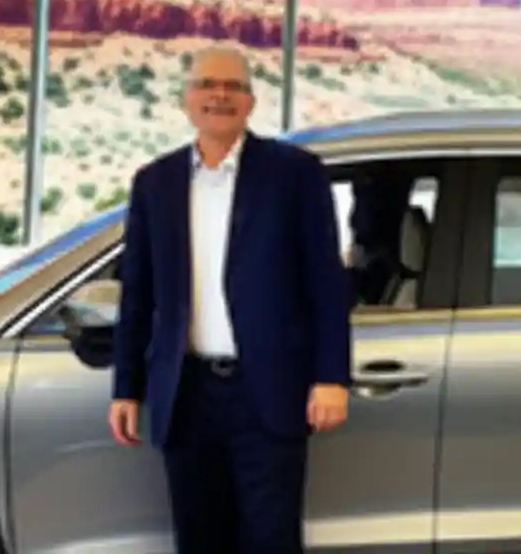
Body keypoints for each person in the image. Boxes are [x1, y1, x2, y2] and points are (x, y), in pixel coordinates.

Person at [108, 45, 353, 553]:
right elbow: (139, 293)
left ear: (251, 101)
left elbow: (326, 284)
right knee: (199, 540)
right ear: (186, 99)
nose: (220, 95)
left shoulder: (296, 174)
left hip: (269, 392)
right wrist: (126, 387)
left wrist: (331, 377)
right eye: (207, 85)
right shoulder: (155, 183)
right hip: (186, 394)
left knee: (270, 539)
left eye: (233, 87)